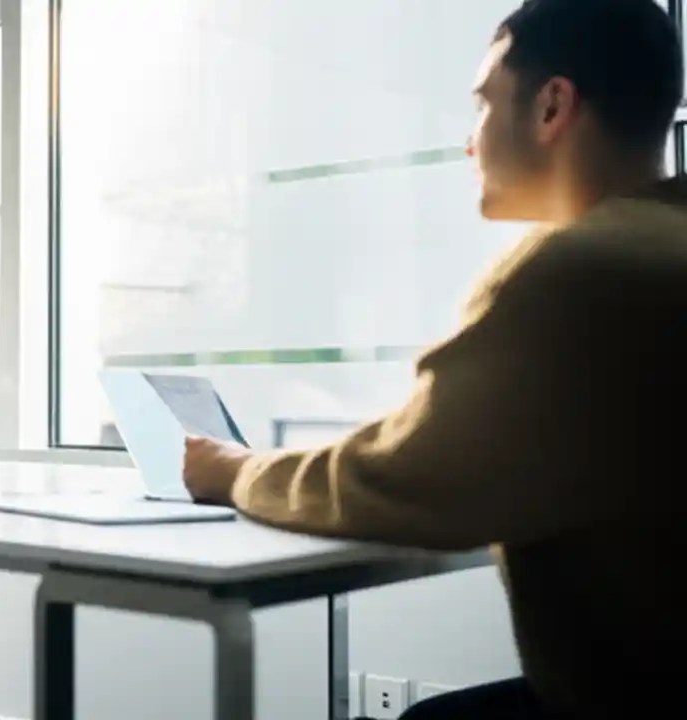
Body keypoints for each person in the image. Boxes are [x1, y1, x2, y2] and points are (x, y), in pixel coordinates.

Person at [180, 1, 683, 718]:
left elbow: (405, 480)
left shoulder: (580, 270)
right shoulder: (659, 245)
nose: (470, 143)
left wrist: (233, 472)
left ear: (551, 105)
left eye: (483, 105)